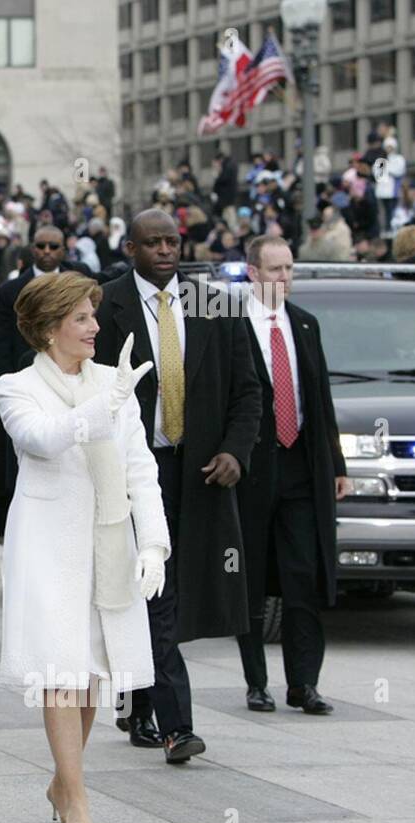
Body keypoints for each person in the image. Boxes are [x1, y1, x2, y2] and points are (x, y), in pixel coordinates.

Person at [0, 271, 169, 823]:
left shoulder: (114, 384)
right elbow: (41, 439)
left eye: (94, 315)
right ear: (49, 329)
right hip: (46, 545)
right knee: (58, 670)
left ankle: (61, 782)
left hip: (107, 542)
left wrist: (154, 545)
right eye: (83, 318)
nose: (96, 326)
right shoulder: (15, 386)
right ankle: (78, 798)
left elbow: (142, 470)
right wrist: (101, 408)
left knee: (93, 674)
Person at [94, 211, 261, 764]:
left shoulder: (218, 303)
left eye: (172, 241)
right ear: (130, 247)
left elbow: (247, 391)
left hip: (200, 470)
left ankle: (141, 702)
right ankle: (176, 725)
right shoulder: (105, 305)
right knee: (155, 588)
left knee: (182, 590)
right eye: (153, 242)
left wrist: (236, 450)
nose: (165, 250)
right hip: (134, 469)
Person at [236, 237, 349, 715]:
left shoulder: (305, 324)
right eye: (275, 270)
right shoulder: (232, 326)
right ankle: (256, 683)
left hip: (301, 466)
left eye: (289, 269)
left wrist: (336, 464)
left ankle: (304, 684)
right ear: (253, 274)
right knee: (252, 581)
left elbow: (319, 399)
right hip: (253, 471)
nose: (284, 278)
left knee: (303, 576)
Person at [0, 224, 92, 536]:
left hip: (75, 384)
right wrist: (4, 393)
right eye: (41, 246)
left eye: (53, 247)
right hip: (31, 386)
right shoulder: (9, 293)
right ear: (32, 248)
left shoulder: (81, 280)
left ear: (64, 249)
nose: (46, 252)